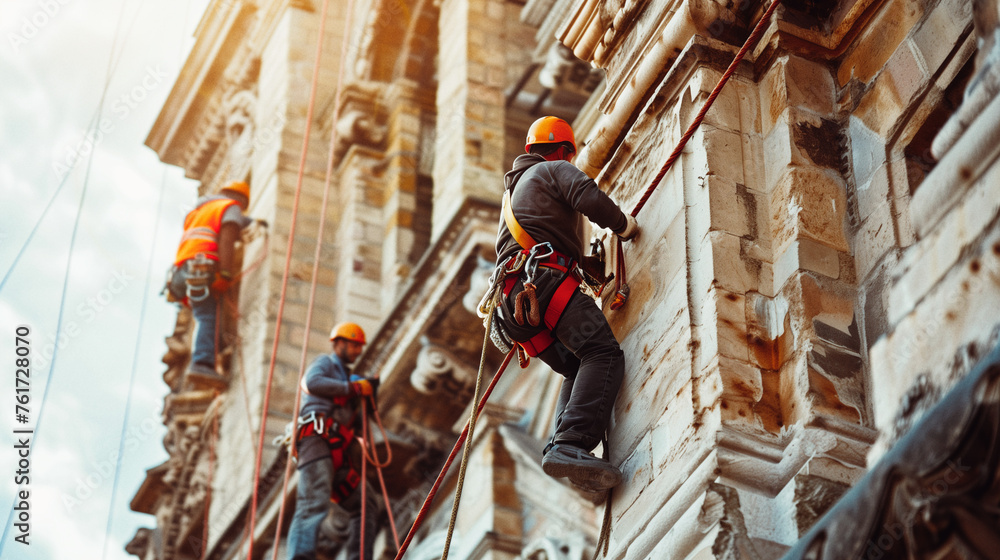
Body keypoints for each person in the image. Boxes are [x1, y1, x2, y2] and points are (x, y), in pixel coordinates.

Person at [490, 116, 639, 492]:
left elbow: (541, 237)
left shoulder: (515, 195)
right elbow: (588, 197)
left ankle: (562, 449)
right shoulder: (554, 171)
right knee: (603, 353)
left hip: (514, 307)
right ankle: (572, 445)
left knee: (576, 363)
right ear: (563, 150)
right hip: (541, 286)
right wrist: (626, 227)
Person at [287, 322, 380, 560]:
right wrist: (353, 388)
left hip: (339, 454)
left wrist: (369, 395)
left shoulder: (348, 380)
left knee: (365, 502)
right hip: (317, 441)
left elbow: (358, 424)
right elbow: (312, 383)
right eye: (354, 345)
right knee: (313, 503)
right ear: (339, 343)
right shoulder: (325, 364)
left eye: (360, 347)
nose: (358, 351)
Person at [167, 181, 253, 388]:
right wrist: (224, 273)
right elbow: (226, 239)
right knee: (208, 315)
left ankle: (211, 354)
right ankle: (203, 362)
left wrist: (247, 222)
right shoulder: (230, 206)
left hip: (180, 274)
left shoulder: (199, 211)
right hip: (201, 267)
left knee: (205, 313)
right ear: (240, 200)